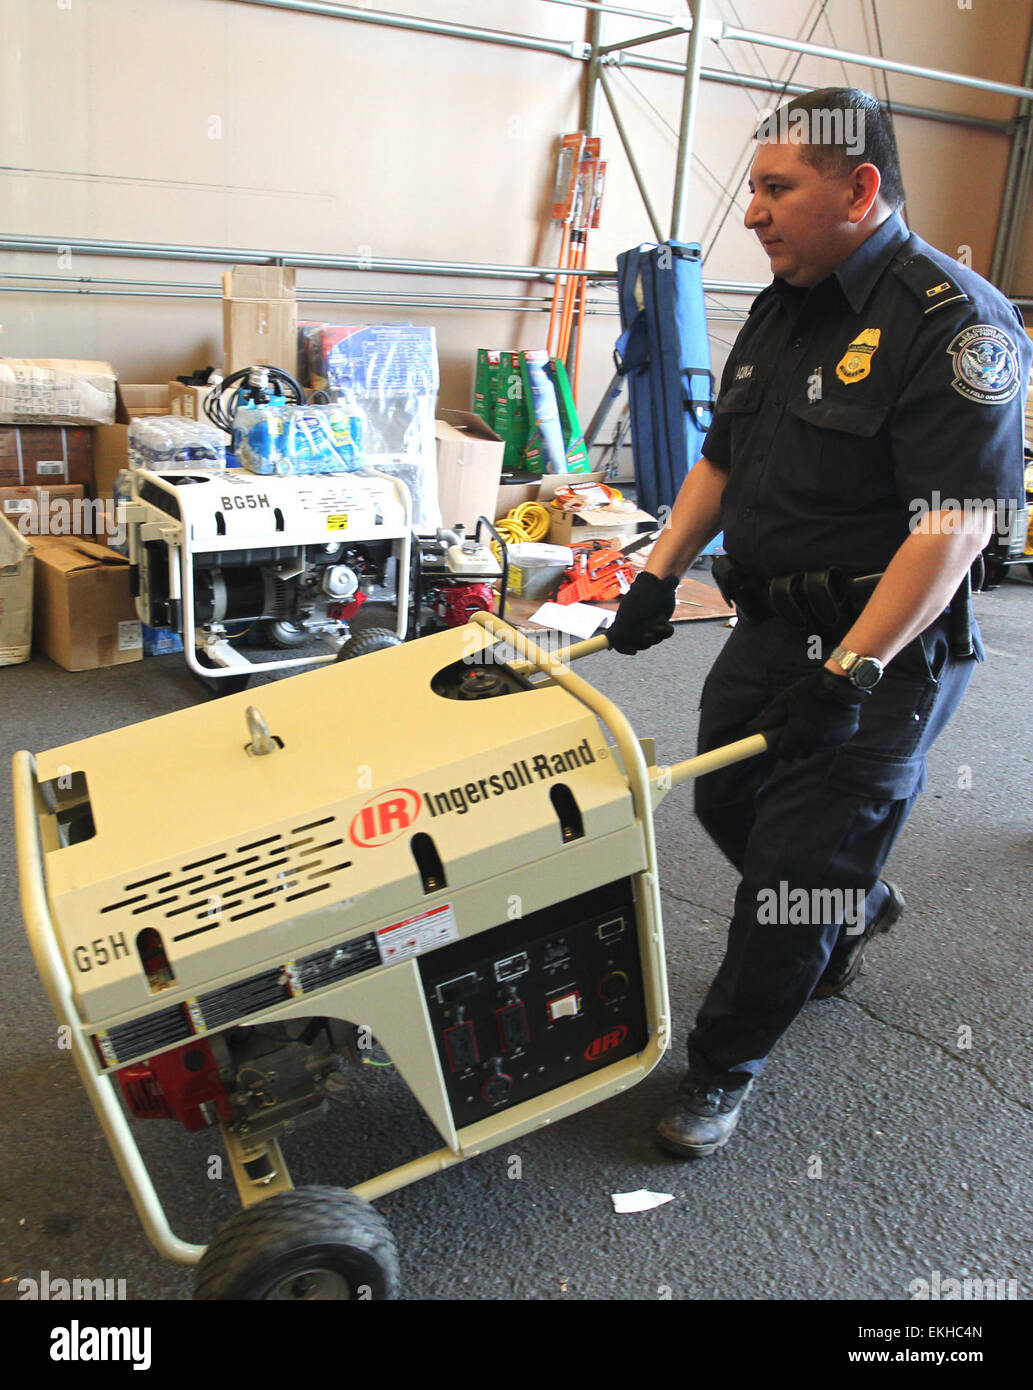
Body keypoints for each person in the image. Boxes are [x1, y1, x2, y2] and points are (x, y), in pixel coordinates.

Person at [607, 88, 1031, 1159]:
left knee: (794, 872)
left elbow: (952, 529)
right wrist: (660, 573)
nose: (750, 211)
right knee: (724, 801)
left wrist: (848, 674)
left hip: (884, 652)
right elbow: (720, 458)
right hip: (767, 626)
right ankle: (852, 898)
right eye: (754, 186)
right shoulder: (782, 302)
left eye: (774, 187)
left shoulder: (956, 323)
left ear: (859, 189)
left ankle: (721, 1067)